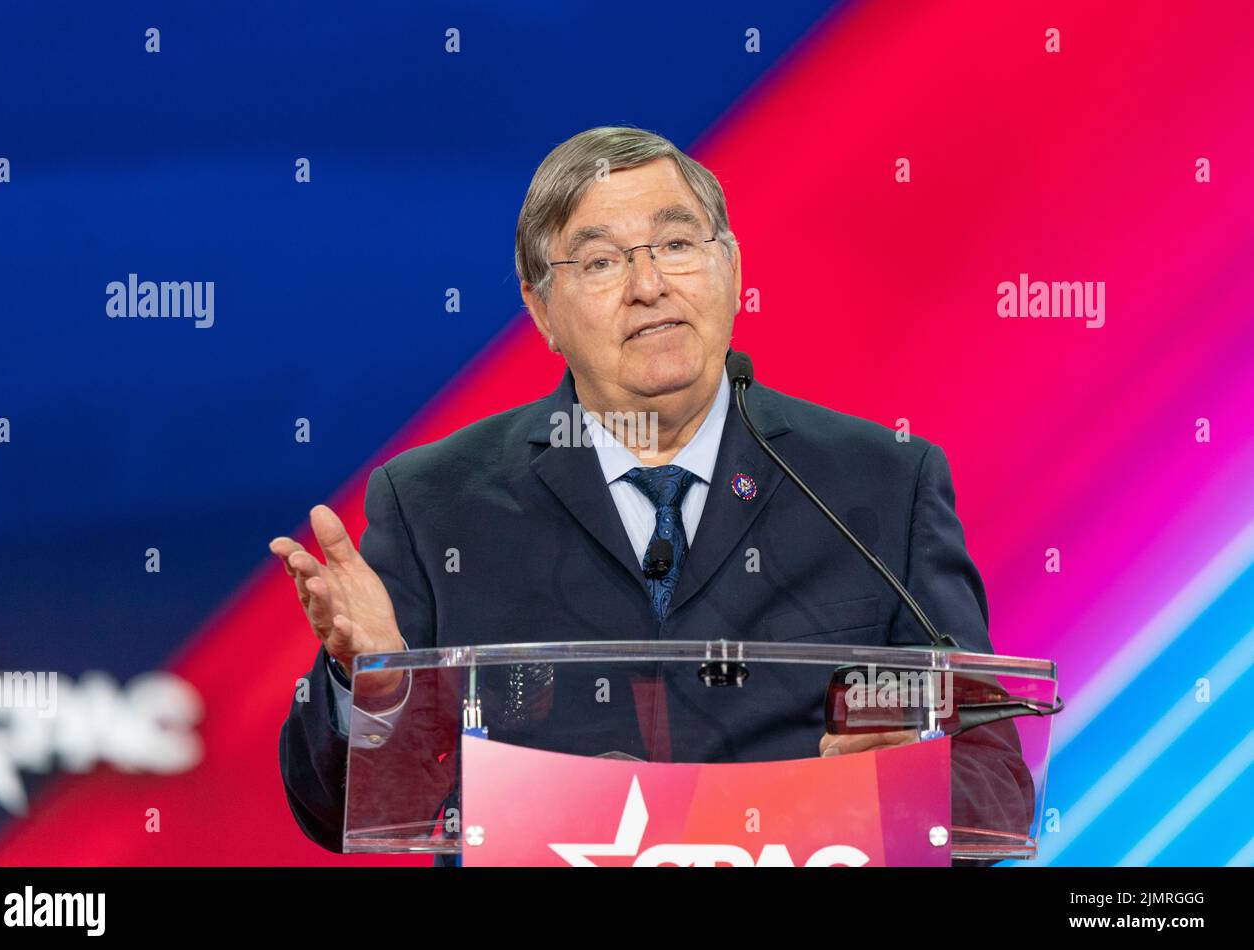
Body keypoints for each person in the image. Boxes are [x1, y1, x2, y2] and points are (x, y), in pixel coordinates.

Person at [273, 126, 1032, 857]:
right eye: (601, 262)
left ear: (731, 269)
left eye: (676, 245)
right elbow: (338, 806)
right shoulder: (434, 502)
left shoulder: (882, 484)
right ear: (541, 309)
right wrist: (364, 682)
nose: (649, 285)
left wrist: (894, 792)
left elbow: (996, 784)